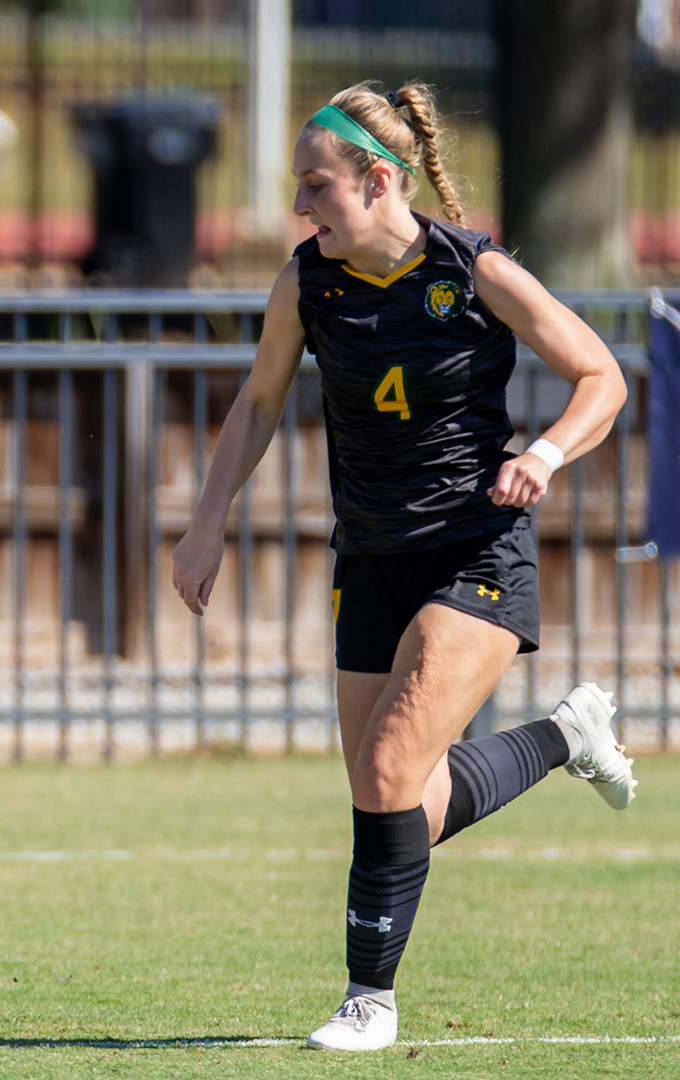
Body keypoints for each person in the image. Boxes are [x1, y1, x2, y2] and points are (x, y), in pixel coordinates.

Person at [171, 82, 635, 1052]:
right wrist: (206, 521)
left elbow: (603, 374)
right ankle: (562, 738)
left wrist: (543, 455)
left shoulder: (476, 270)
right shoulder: (309, 281)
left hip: (476, 549)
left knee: (386, 770)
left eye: (315, 186)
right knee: (398, 801)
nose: (300, 207)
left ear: (378, 180)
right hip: (369, 554)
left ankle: (368, 1002)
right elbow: (258, 404)